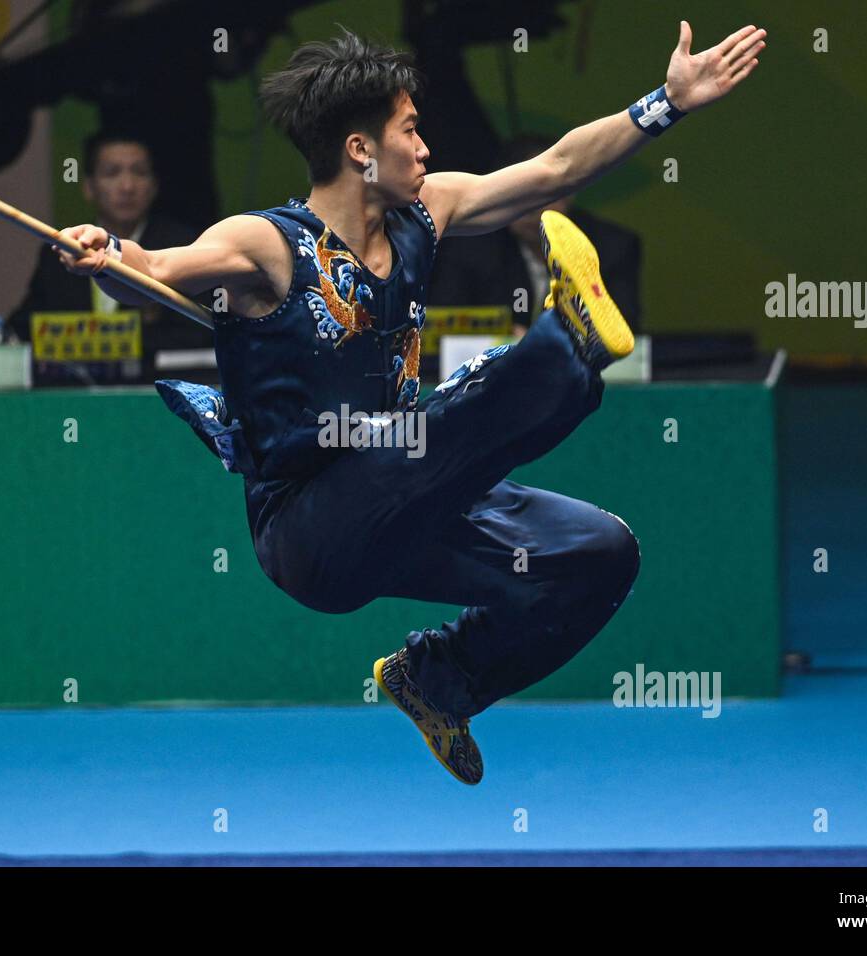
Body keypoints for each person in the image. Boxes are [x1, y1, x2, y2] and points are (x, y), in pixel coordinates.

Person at [54, 23, 766, 783]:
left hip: (409, 491)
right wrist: (106, 256)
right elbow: (157, 264)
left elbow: (556, 169)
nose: (425, 148)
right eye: (411, 130)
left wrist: (669, 103)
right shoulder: (268, 245)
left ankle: (439, 679)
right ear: (361, 150)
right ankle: (567, 342)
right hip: (312, 529)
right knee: (444, 423)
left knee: (599, 555)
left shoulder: (428, 213)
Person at [8, 131, 211, 383]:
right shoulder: (61, 250)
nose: (127, 186)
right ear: (89, 187)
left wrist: (127, 336)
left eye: (139, 172)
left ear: (154, 185)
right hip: (73, 398)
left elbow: (203, 330)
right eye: (112, 173)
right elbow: (25, 327)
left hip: (158, 395)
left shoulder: (183, 244)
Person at [429, 134, 643, 335]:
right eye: (519, 195)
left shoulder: (612, 247)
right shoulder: (469, 251)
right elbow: (442, 328)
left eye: (542, 193)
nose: (532, 210)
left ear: (570, 190)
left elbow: (622, 330)